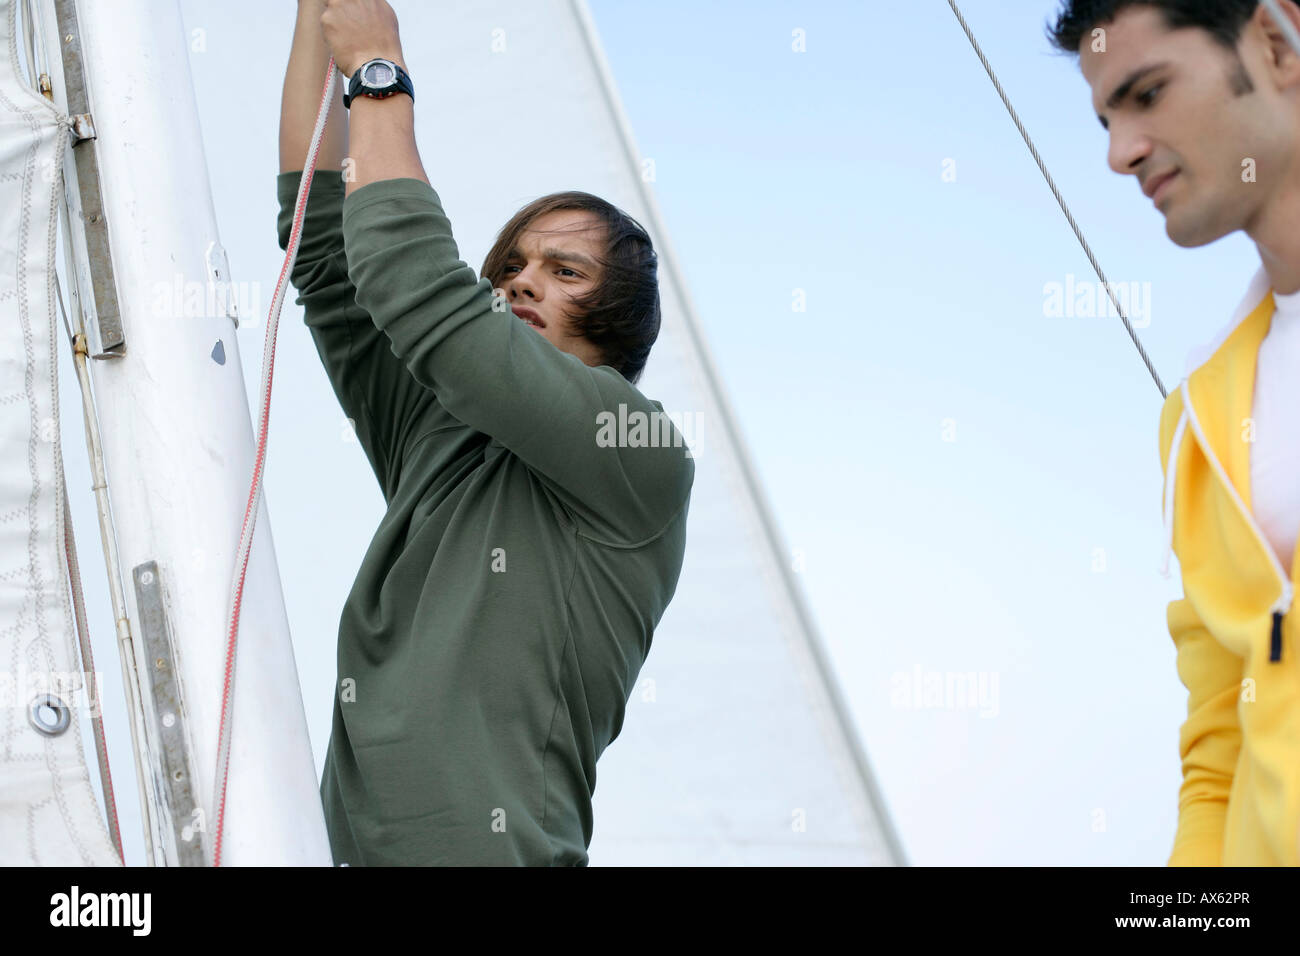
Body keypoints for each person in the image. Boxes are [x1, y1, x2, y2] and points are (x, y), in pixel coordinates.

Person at [277, 0, 694, 865]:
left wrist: (379, 69)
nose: (520, 282)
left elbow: (423, 293)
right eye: (508, 268)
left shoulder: (639, 450)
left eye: (563, 270)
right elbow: (323, 250)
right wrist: (317, 16)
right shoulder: (437, 433)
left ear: (618, 317)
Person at [1048, 0, 1300, 865]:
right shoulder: (1195, 420)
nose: (1120, 154)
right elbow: (1219, 753)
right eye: (1107, 121)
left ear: (1274, 42)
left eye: (1147, 93)